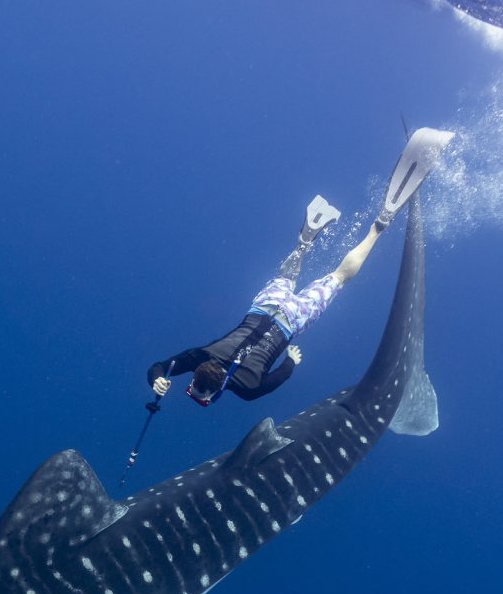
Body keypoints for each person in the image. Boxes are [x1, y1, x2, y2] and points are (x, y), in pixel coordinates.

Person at [145, 128, 451, 408]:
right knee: (286, 276)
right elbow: (158, 366)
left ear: (213, 393)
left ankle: (379, 225)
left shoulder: (248, 389)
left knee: (339, 277)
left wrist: (291, 359)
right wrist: (157, 380)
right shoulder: (202, 355)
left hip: (291, 321)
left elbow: (280, 376)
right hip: (265, 308)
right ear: (196, 376)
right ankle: (305, 242)